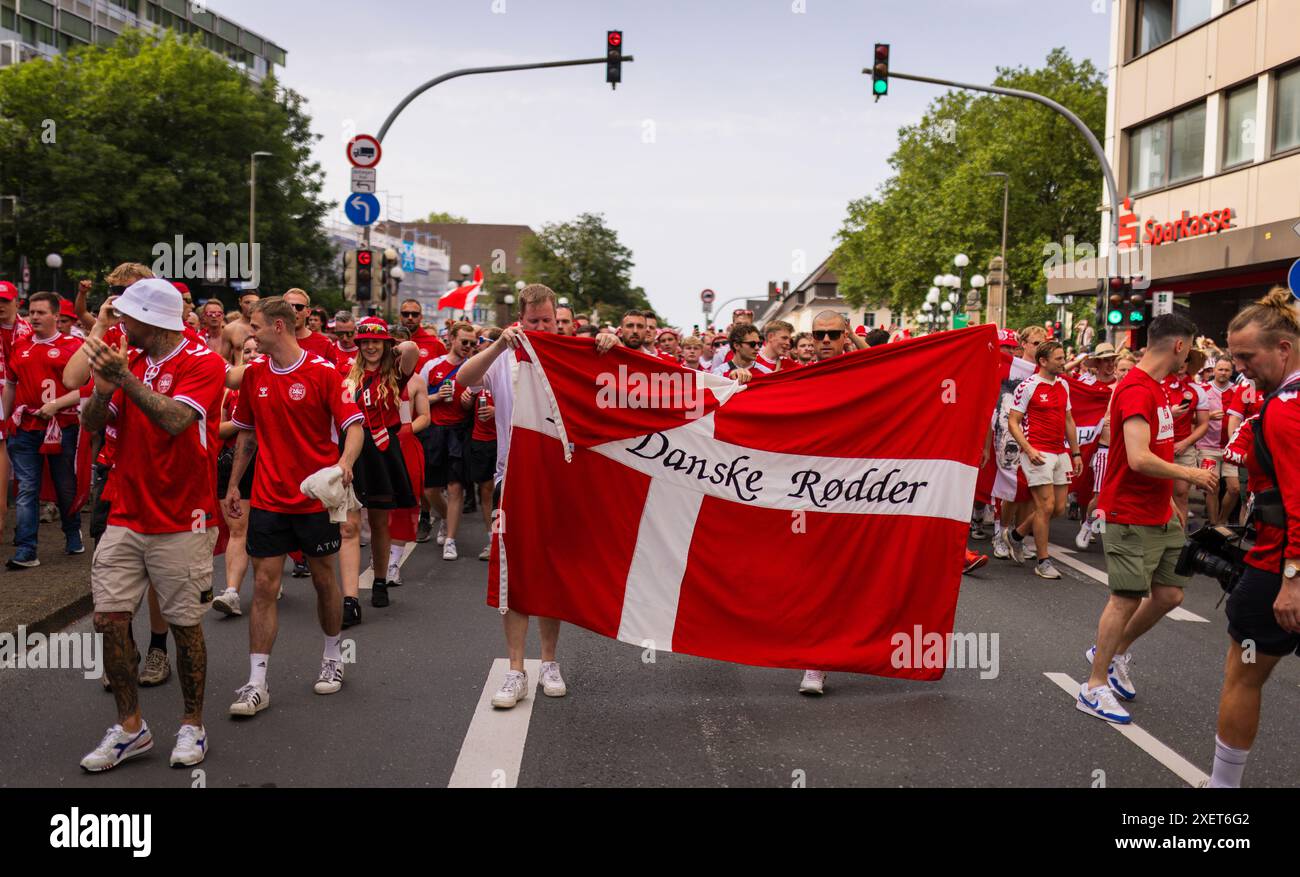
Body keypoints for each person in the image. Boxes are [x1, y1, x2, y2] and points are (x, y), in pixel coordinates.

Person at [76, 278, 225, 771]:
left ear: (153, 321)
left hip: (184, 516)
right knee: (108, 618)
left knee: (185, 626)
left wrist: (125, 379)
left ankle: (192, 725)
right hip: (126, 510)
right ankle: (130, 728)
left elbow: (176, 421)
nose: (120, 324)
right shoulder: (131, 361)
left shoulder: (203, 360)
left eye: (127, 317)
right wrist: (101, 390)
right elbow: (96, 425)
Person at [454, 284, 619, 709]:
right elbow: (463, 380)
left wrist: (611, 345)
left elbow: (627, 383)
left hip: (562, 479)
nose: (543, 328)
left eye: (550, 321)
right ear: (520, 321)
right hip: (513, 479)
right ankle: (515, 669)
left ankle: (549, 662)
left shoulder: (574, 358)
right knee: (513, 576)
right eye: (535, 322)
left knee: (553, 573)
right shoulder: (505, 355)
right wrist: (496, 347)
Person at [224, 297, 364, 716]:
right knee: (265, 586)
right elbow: (246, 436)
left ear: (279, 327)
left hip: (314, 499)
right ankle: (256, 683)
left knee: (324, 581)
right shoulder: (254, 376)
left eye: (256, 326)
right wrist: (234, 484)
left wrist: (344, 463)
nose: (250, 333)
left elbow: (354, 426)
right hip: (268, 498)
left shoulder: (323, 372)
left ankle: (332, 655)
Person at [1078, 313, 1217, 724]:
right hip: (1129, 512)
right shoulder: (1137, 389)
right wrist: (1190, 474)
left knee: (1171, 594)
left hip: (1159, 512)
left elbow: (1155, 448)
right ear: (1179, 346)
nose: (1189, 356)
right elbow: (1139, 459)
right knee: (1125, 598)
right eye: (1189, 348)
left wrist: (1172, 503)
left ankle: (1115, 650)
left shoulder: (1155, 387)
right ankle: (1093, 685)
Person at [1209, 289, 1300, 786]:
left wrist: (1292, 577)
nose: (1239, 367)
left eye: (1247, 356)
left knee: (1243, 675)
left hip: (1275, 570)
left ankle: (1223, 792)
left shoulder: (1286, 408)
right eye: (1233, 356)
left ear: (1283, 348)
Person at [338, 318, 419, 613]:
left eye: (376, 341)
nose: (370, 346)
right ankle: (349, 598)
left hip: (383, 451)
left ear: (385, 344)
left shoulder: (396, 372)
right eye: (365, 341)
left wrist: (392, 346)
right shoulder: (346, 372)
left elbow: (412, 348)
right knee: (350, 524)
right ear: (358, 345)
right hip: (352, 449)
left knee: (380, 522)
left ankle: (380, 580)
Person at [3, 292, 85, 568]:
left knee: (64, 485)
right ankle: (27, 549)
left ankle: (72, 531)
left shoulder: (74, 346)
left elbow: (87, 387)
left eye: (40, 312)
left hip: (62, 426)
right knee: (26, 487)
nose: (34, 317)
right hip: (26, 425)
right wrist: (6, 417)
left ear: (55, 316)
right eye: (32, 312)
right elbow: (11, 384)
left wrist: (57, 405)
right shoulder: (20, 346)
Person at [1005, 341, 1080, 579]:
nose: (1063, 361)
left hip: (1060, 452)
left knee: (1058, 508)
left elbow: (1069, 421)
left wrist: (1076, 453)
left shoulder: (1064, 385)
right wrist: (1028, 449)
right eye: (1058, 358)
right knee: (1045, 507)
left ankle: (1015, 535)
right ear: (1043, 362)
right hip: (1038, 452)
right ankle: (1043, 561)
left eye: (1063, 357)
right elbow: (1013, 422)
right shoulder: (1028, 386)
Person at [418, 321, 478, 561]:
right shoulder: (432, 366)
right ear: (452, 339)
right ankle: (444, 517)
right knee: (430, 489)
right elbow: (417, 399)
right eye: (464, 342)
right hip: (434, 431)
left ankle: (450, 539)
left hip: (459, 432)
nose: (468, 347)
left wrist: (468, 402)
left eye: (472, 344)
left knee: (455, 487)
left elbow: (479, 399)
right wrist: (436, 396)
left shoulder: (474, 368)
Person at [212, 335, 261, 617]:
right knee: (238, 530)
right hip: (232, 463)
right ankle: (231, 592)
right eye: (247, 350)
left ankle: (266, 578)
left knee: (260, 529)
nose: (252, 354)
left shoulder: (272, 384)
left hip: (266, 464)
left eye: (257, 350)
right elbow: (218, 429)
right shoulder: (229, 391)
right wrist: (244, 421)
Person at [1166, 349, 1211, 524]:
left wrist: (1185, 443)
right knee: (1159, 495)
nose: (1183, 363)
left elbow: (1204, 424)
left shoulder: (1197, 390)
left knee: (1181, 494)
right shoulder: (1157, 384)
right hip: (1157, 446)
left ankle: (1180, 539)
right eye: (1180, 359)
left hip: (1184, 448)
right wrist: (1170, 413)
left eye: (1187, 360)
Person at [1197, 357, 1236, 525]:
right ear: (1214, 370)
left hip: (1231, 449)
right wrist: (1209, 416)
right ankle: (1214, 525)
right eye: (1220, 369)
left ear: (1231, 372)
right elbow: (1190, 417)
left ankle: (1222, 520)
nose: (1223, 373)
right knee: (1212, 487)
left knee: (1234, 489)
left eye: (1227, 370)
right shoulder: (1202, 389)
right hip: (1207, 448)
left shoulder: (1238, 391)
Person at [282, 288, 337, 368]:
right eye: (289, 306)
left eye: (299, 307)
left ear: (308, 312)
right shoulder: (272, 342)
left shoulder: (324, 343)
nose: (294, 311)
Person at [399, 299, 447, 368]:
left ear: (421, 317)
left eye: (414, 314)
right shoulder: (390, 341)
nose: (410, 317)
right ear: (400, 316)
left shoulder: (436, 344)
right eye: (406, 314)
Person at [219, 290, 261, 363]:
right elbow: (223, 359)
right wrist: (234, 371)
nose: (251, 306)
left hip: (263, 372)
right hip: (240, 372)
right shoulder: (230, 329)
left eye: (255, 303)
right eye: (247, 302)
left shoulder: (267, 327)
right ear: (240, 302)